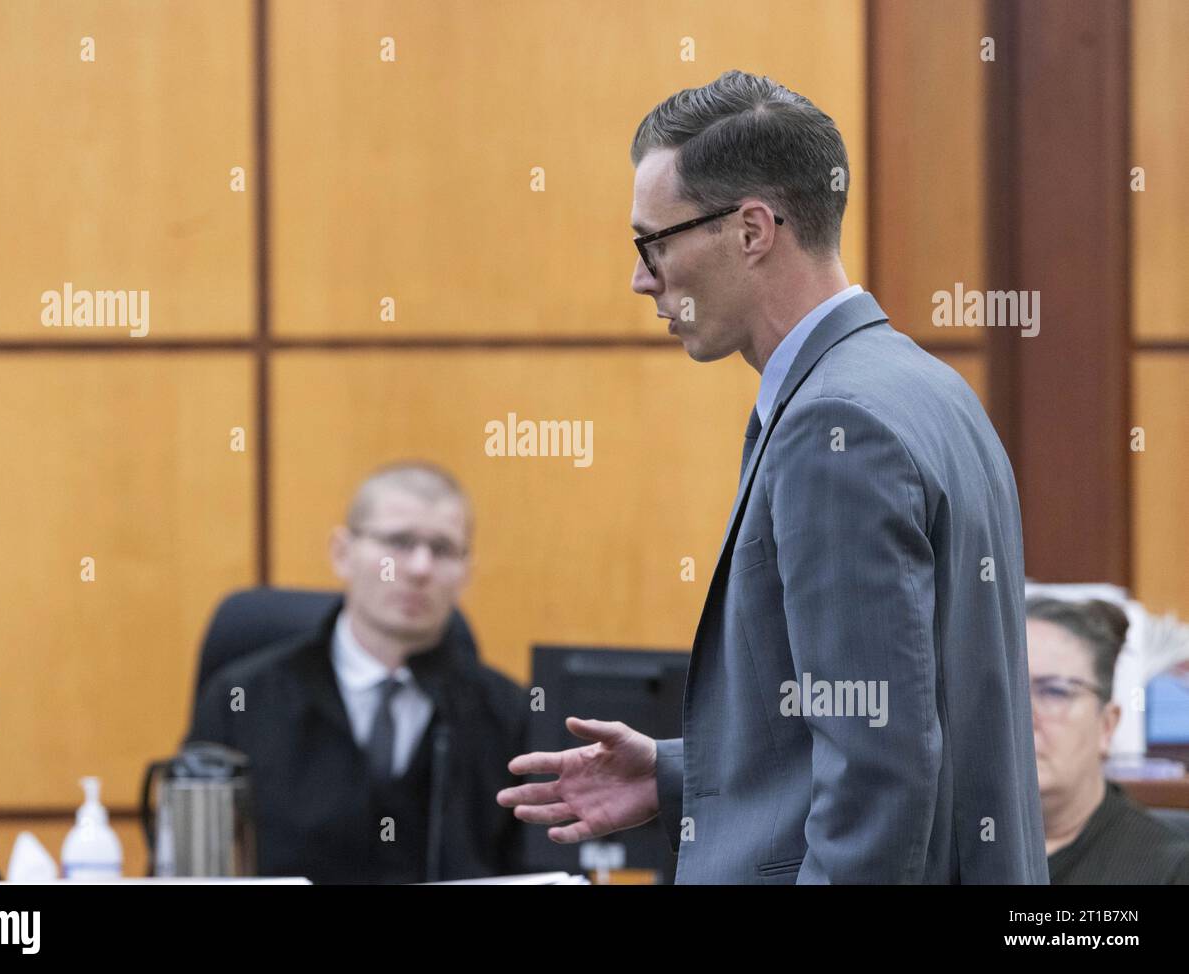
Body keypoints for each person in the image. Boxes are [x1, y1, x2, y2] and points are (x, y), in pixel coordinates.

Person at [498, 71, 1047, 883]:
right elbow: (897, 720)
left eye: (653, 243)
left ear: (752, 229)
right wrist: (679, 773)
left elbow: (880, 777)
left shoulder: (839, 426)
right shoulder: (924, 387)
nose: (642, 279)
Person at [188, 461, 531, 883]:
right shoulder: (242, 699)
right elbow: (188, 868)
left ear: (465, 572)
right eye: (399, 542)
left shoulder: (512, 717)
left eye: (442, 549)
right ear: (342, 553)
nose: (420, 568)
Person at [1027, 596, 1189, 884]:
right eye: (1004, 693)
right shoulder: (938, 853)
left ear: (1107, 725)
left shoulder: (1170, 868)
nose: (1025, 715)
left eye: (1054, 692)